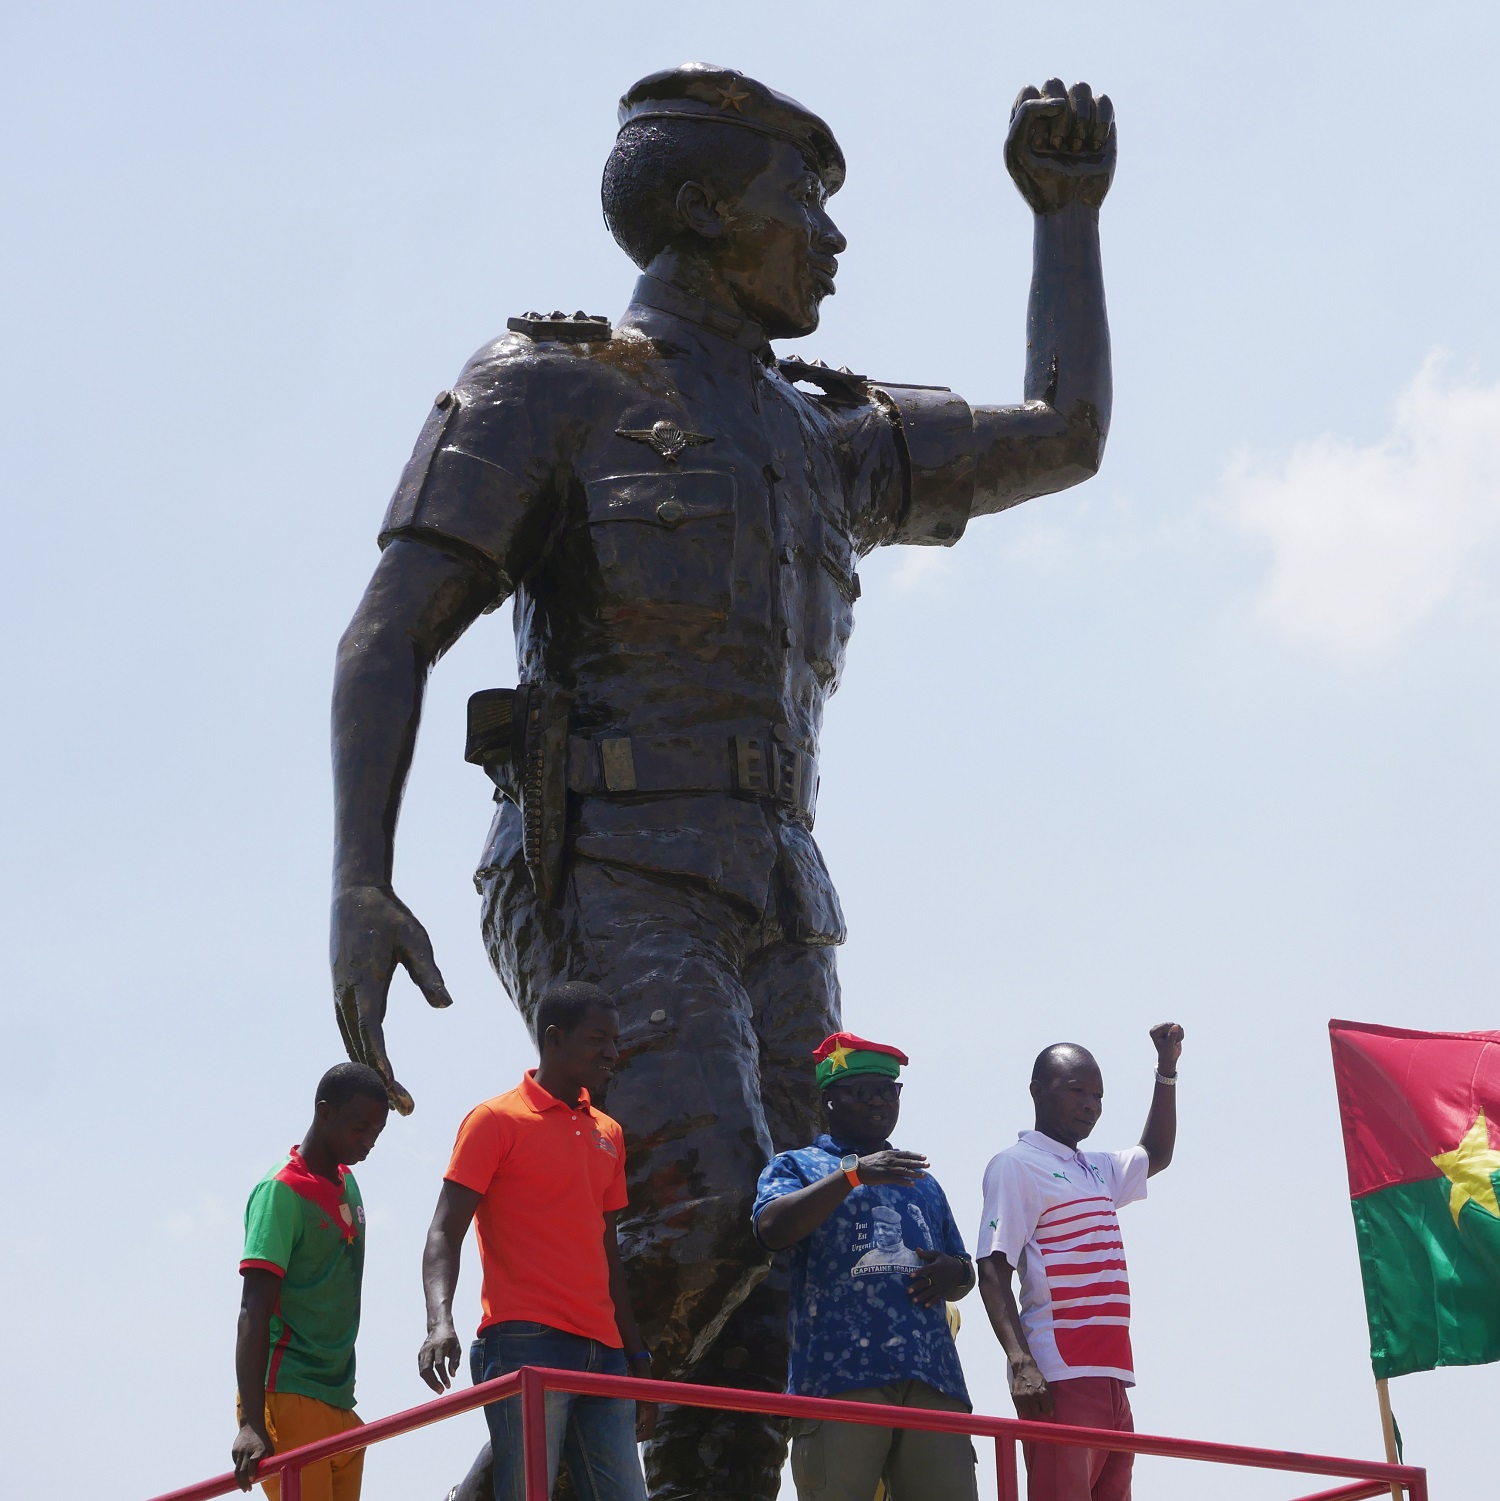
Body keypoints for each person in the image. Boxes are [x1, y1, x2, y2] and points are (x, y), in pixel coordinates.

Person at [327, 64, 1118, 1499]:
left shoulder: (823, 435)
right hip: (612, 862)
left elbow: (1064, 435)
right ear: (700, 211)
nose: (830, 236)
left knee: (790, 1252)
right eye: (800, 202)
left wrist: (1066, 220)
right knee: (703, 1215)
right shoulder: (552, 385)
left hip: (776, 889)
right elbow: (390, 632)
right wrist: (358, 877)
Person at [416, 982, 653, 1501]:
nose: (613, 1052)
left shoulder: (608, 1132)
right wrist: (440, 1322)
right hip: (525, 1342)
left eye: (615, 1040)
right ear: (553, 1039)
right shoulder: (494, 1120)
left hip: (606, 1350)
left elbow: (606, 1249)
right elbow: (444, 1229)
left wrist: (636, 1354)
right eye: (598, 1039)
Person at [752, 1033, 978, 1501]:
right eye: (860, 1090)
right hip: (842, 1381)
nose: (877, 1099)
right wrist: (852, 1175)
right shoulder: (797, 1166)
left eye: (887, 1090)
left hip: (932, 1380)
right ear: (828, 1100)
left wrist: (952, 1272)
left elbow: (964, 1269)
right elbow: (771, 1229)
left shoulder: (923, 1180)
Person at [976, 1025, 1184, 1501]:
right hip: (1061, 1374)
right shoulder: (1016, 1164)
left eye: (1098, 1095)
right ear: (1037, 1091)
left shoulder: (1094, 1167)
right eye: (1077, 1091)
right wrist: (1020, 1362)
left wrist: (1166, 1071)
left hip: (1112, 1375)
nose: (1091, 1104)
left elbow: (1157, 1154)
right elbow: (992, 1269)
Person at [232, 1063, 392, 1499]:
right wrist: (250, 1422)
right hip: (288, 1395)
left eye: (377, 1131)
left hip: (340, 1397)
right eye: (361, 1128)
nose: (369, 1141)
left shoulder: (348, 1184)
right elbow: (253, 1308)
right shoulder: (280, 1192)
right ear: (324, 1113)